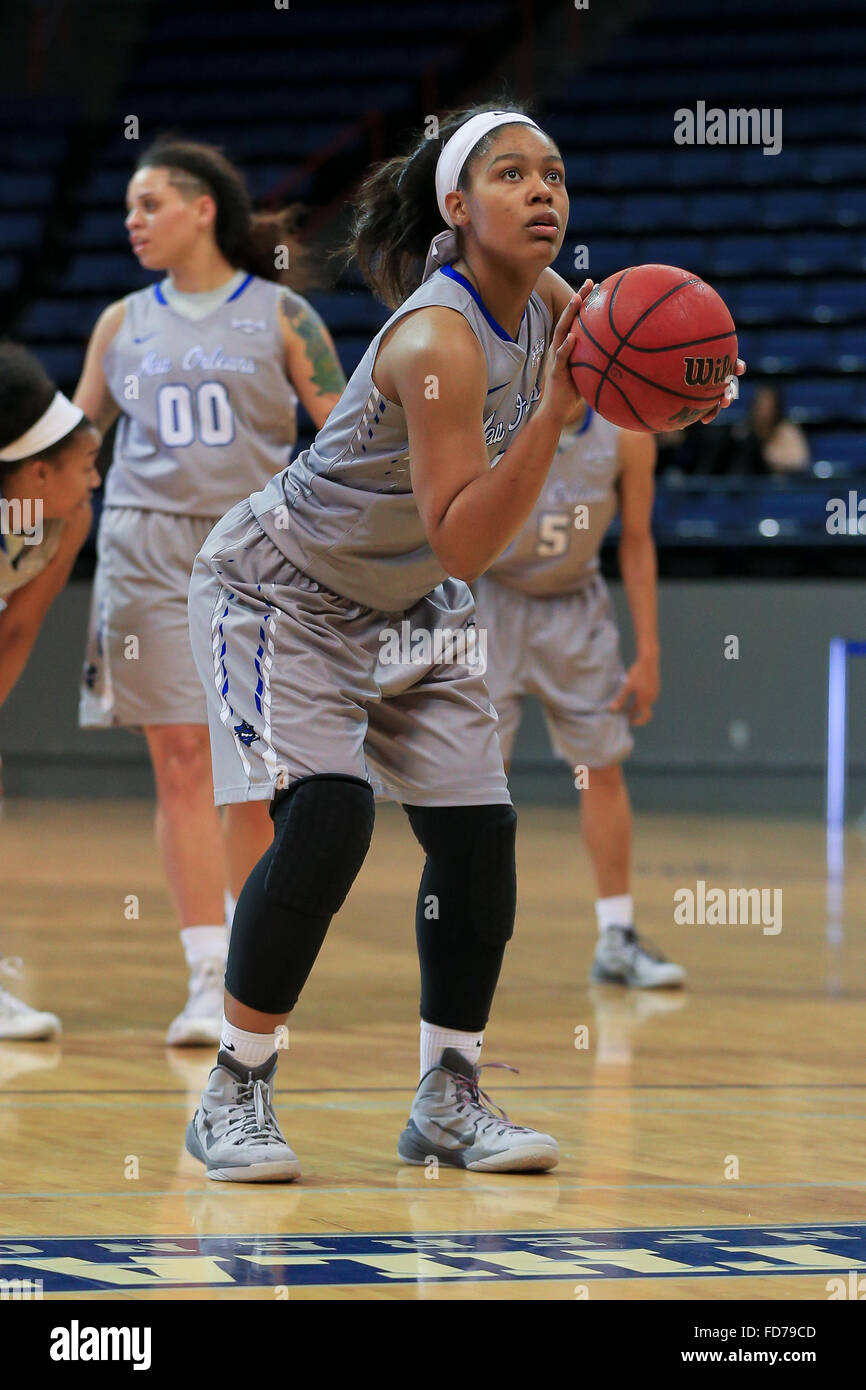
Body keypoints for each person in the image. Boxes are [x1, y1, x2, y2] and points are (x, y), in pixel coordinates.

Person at [182, 104, 743, 1182]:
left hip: (409, 605)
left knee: (478, 832)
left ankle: (447, 1092)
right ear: (455, 206)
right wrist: (557, 412)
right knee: (330, 816)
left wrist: (688, 387)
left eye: (554, 175)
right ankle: (235, 1087)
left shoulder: (544, 298)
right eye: (510, 175)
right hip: (285, 592)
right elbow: (463, 539)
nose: (543, 191)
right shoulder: (437, 337)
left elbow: (639, 347)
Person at [72, 138, 347, 1045]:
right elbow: (74, 451)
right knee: (182, 763)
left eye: (149, 203)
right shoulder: (120, 323)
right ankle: (203, 973)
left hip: (251, 555)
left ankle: (251, 973)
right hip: (143, 548)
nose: (133, 221)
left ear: (202, 209)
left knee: (251, 780)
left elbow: (346, 438)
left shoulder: (281, 315)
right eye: (127, 208)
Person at [474, 403, 686, 988]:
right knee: (478, 780)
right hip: (491, 598)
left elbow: (637, 540)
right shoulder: (498, 415)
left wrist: (649, 652)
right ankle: (463, 933)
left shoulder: (629, 434)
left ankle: (617, 936)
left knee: (602, 769)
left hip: (574, 607)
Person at [0, 344, 100, 1039]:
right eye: (86, 467)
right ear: (38, 471)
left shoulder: (68, 523)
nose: (95, 481)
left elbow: (18, 628)